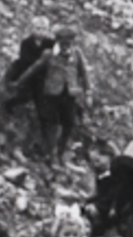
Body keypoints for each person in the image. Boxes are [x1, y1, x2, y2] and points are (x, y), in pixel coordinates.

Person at [12, 25, 90, 160]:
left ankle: (60, 153)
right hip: (52, 94)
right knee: (52, 124)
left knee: (69, 123)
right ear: (58, 41)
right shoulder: (49, 54)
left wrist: (88, 92)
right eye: (63, 43)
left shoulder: (77, 53)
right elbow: (33, 69)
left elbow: (84, 73)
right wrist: (19, 83)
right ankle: (50, 154)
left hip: (70, 93)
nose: (66, 46)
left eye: (69, 43)